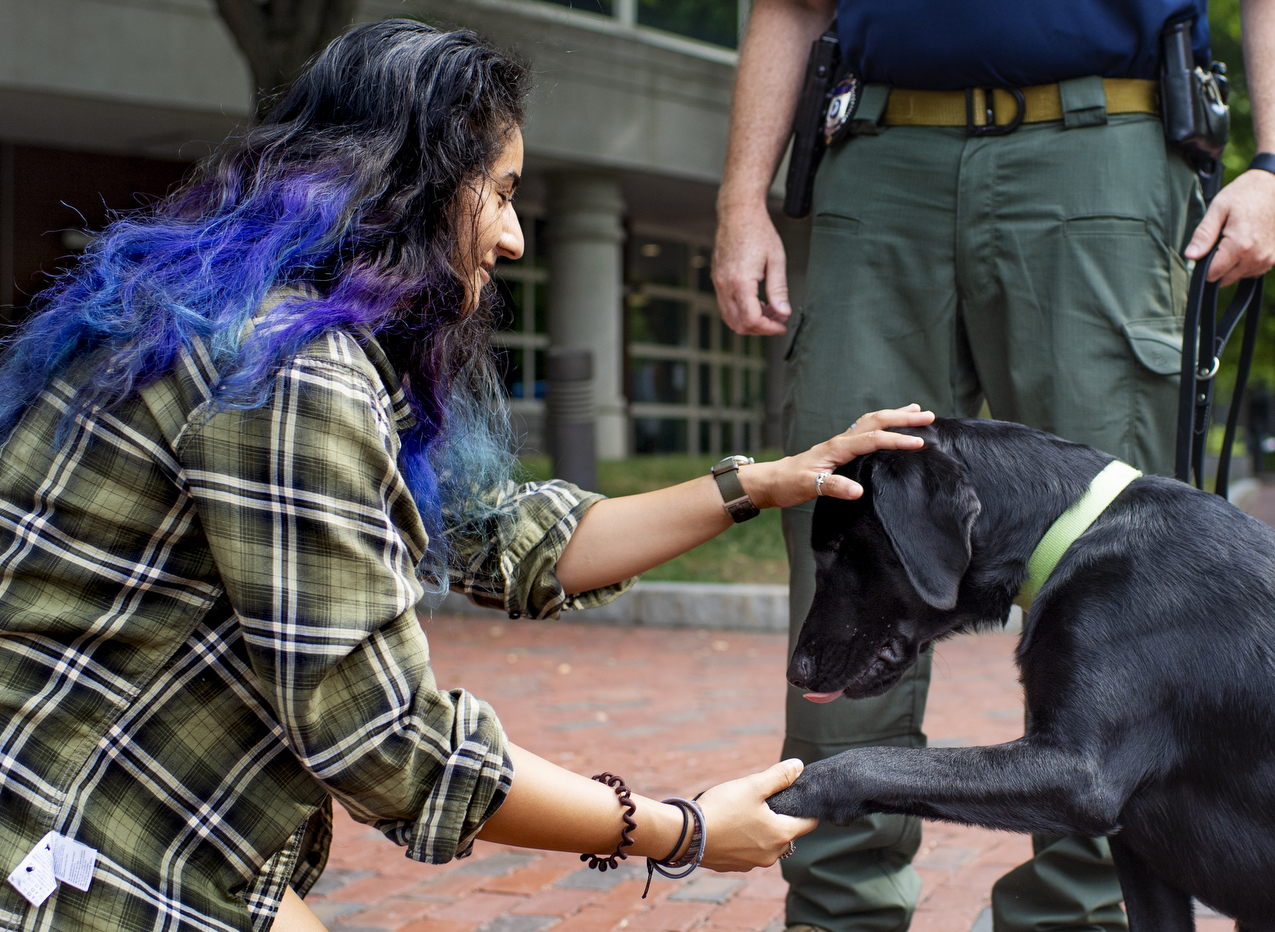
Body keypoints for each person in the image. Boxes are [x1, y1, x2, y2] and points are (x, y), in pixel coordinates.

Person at [0, 21, 937, 932]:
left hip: (115, 798)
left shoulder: (255, 328)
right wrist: (680, 831)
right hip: (56, 825)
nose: (517, 237)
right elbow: (384, 740)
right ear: (409, 188)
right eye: (499, 191)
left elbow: (512, 539)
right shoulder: (291, 372)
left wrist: (761, 484)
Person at [712, 3, 1275, 932]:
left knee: (1120, 567)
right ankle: (839, 912)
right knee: (841, 521)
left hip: (1103, 147)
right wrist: (739, 196)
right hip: (875, 154)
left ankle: (1072, 918)